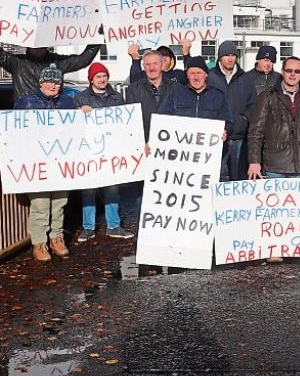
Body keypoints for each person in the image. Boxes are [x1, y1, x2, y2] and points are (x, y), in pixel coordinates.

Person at [14, 66, 76, 261]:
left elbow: (77, 129)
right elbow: (14, 131)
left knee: (59, 202)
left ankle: (56, 238)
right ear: (41, 83)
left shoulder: (68, 102)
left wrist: (84, 113)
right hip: (37, 163)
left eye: (57, 82)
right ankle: (39, 243)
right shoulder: (26, 102)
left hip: (60, 162)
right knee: (40, 204)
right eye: (49, 81)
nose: (53, 85)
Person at [74, 64, 134, 242]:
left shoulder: (116, 97)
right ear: (91, 79)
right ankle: (88, 227)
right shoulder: (80, 98)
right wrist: (78, 113)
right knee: (88, 190)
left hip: (111, 151)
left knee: (112, 189)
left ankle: (114, 226)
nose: (102, 79)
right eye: (98, 76)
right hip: (88, 152)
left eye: (104, 76)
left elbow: (124, 122)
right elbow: (71, 125)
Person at [247, 56, 300, 180]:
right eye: (289, 70)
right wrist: (254, 162)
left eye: (297, 71)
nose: (293, 74)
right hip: (274, 166)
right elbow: (256, 131)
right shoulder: (267, 96)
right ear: (282, 71)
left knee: (298, 200)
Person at [124, 50, 179, 221]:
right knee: (143, 190)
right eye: (147, 65)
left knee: (168, 187)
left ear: (163, 65)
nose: (152, 68)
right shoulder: (134, 89)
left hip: (170, 147)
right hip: (145, 147)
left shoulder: (176, 87)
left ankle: (167, 222)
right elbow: (130, 119)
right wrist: (141, 142)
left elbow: (184, 116)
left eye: (155, 64)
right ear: (143, 67)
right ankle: (144, 226)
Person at [207, 41, 255, 181]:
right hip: (216, 137)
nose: (230, 58)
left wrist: (243, 120)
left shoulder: (246, 78)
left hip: (239, 137)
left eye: (233, 55)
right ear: (219, 57)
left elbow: (253, 104)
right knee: (218, 176)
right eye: (226, 55)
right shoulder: (210, 77)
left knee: (238, 178)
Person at [0, 45, 102, 101]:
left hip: (53, 116)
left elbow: (82, 60)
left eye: (42, 46)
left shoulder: (57, 61)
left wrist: (97, 39)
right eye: (35, 46)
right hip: (26, 116)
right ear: (28, 46)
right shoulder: (17, 62)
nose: (39, 49)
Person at [159, 56, 232, 134]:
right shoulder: (176, 95)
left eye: (199, 73)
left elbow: (228, 122)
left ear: (206, 74)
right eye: (192, 73)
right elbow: (162, 119)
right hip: (182, 143)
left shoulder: (218, 96)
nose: (196, 77)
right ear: (187, 76)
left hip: (207, 144)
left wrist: (225, 130)